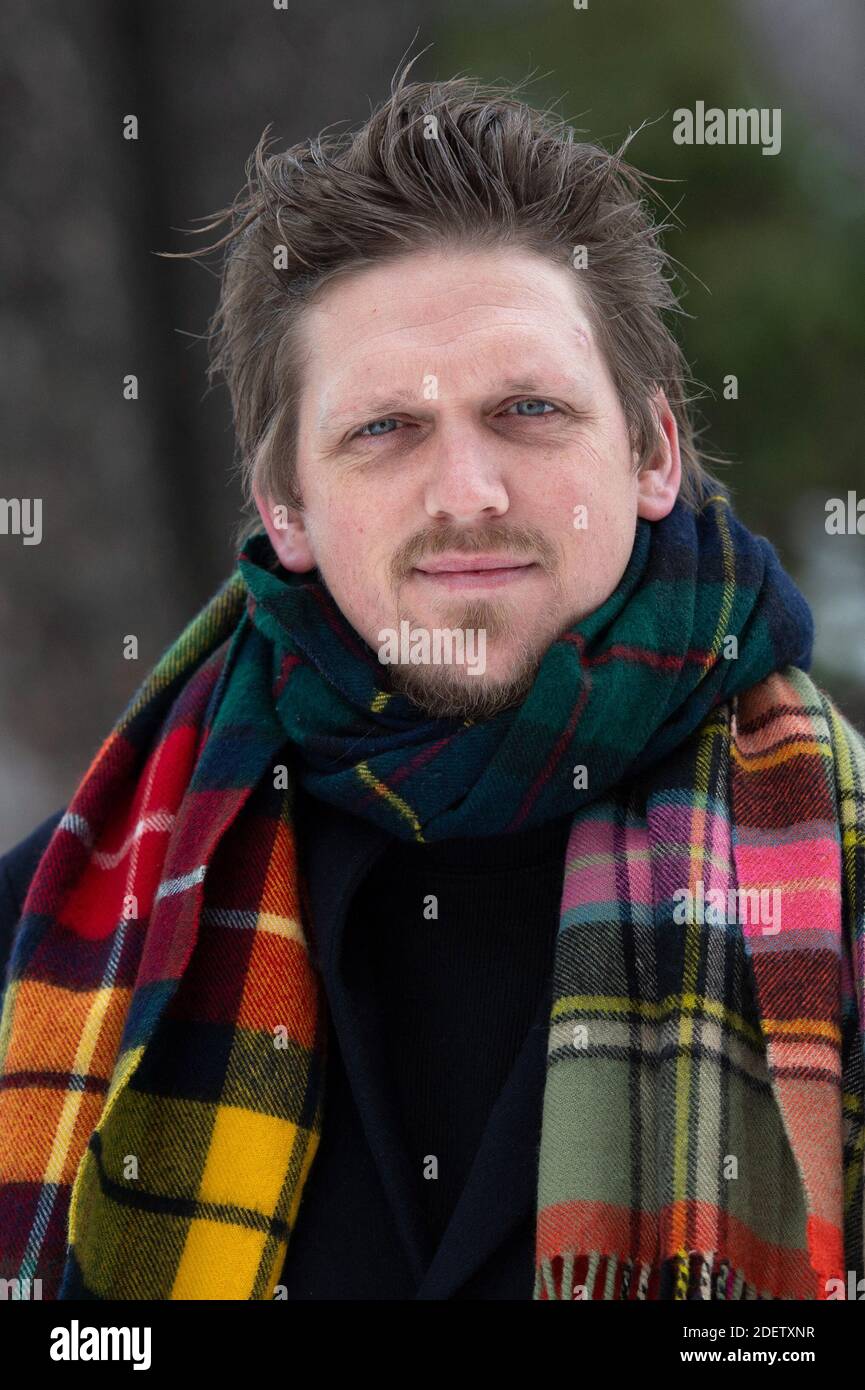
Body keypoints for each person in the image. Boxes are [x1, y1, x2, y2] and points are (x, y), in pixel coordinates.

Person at [1, 68, 863, 1303]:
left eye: (527, 409)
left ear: (652, 453)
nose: (467, 492)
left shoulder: (842, 892)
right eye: (384, 431)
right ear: (283, 509)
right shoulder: (51, 937)